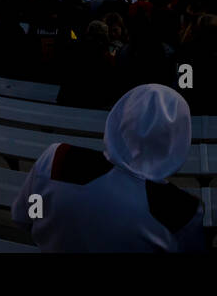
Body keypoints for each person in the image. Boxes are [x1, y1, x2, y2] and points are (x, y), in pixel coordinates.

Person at [10, 84, 204, 251]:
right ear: (179, 139)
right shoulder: (181, 212)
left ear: (120, 117)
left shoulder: (56, 159)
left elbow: (22, 218)